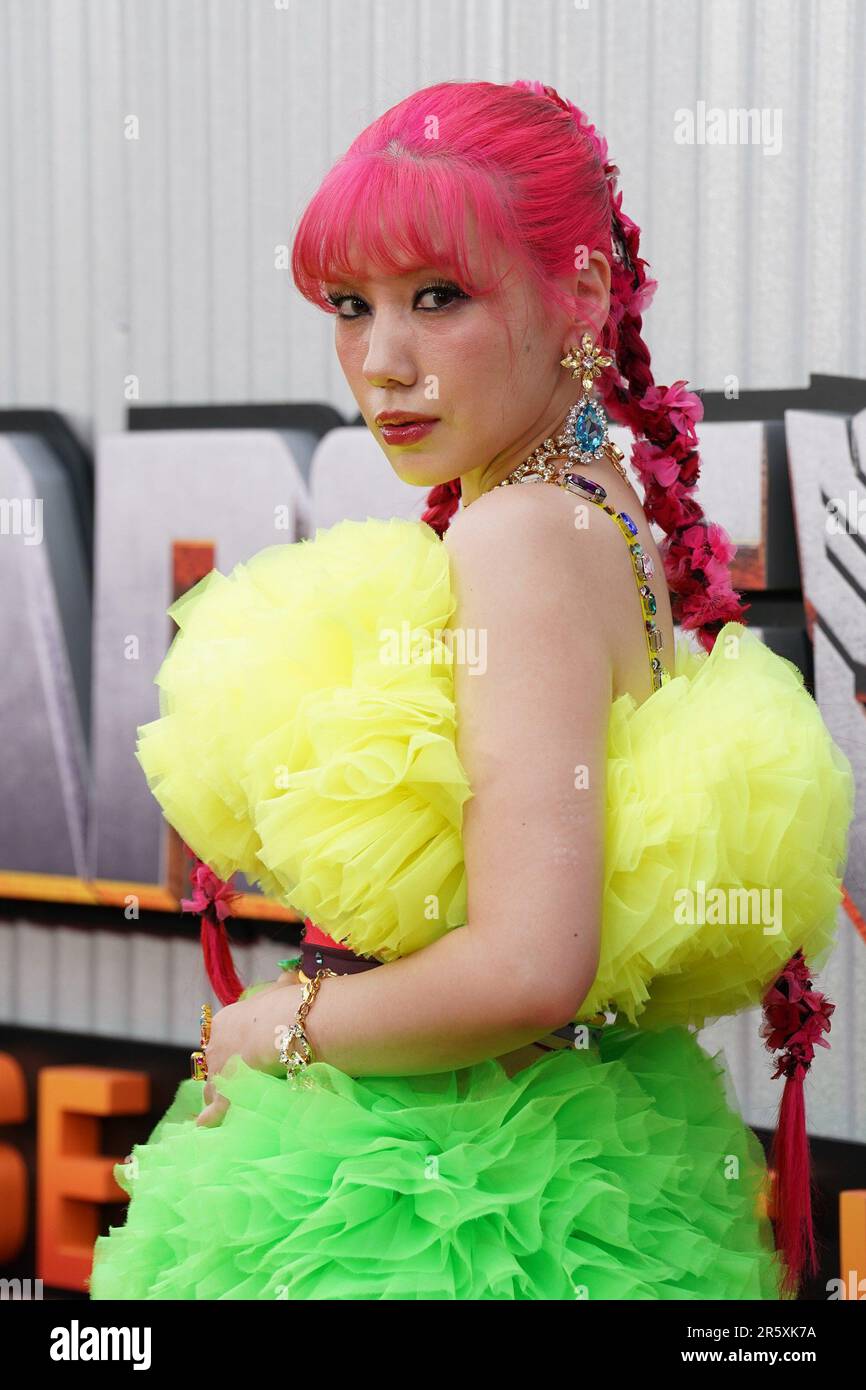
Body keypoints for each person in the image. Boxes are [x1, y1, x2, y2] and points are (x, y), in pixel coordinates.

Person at [87, 79, 854, 1301]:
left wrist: (269, 1024)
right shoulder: (594, 507)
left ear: (584, 294)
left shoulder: (519, 536)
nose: (382, 362)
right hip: (551, 1152)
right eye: (352, 307)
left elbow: (525, 966)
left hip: (437, 1197)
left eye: (436, 298)